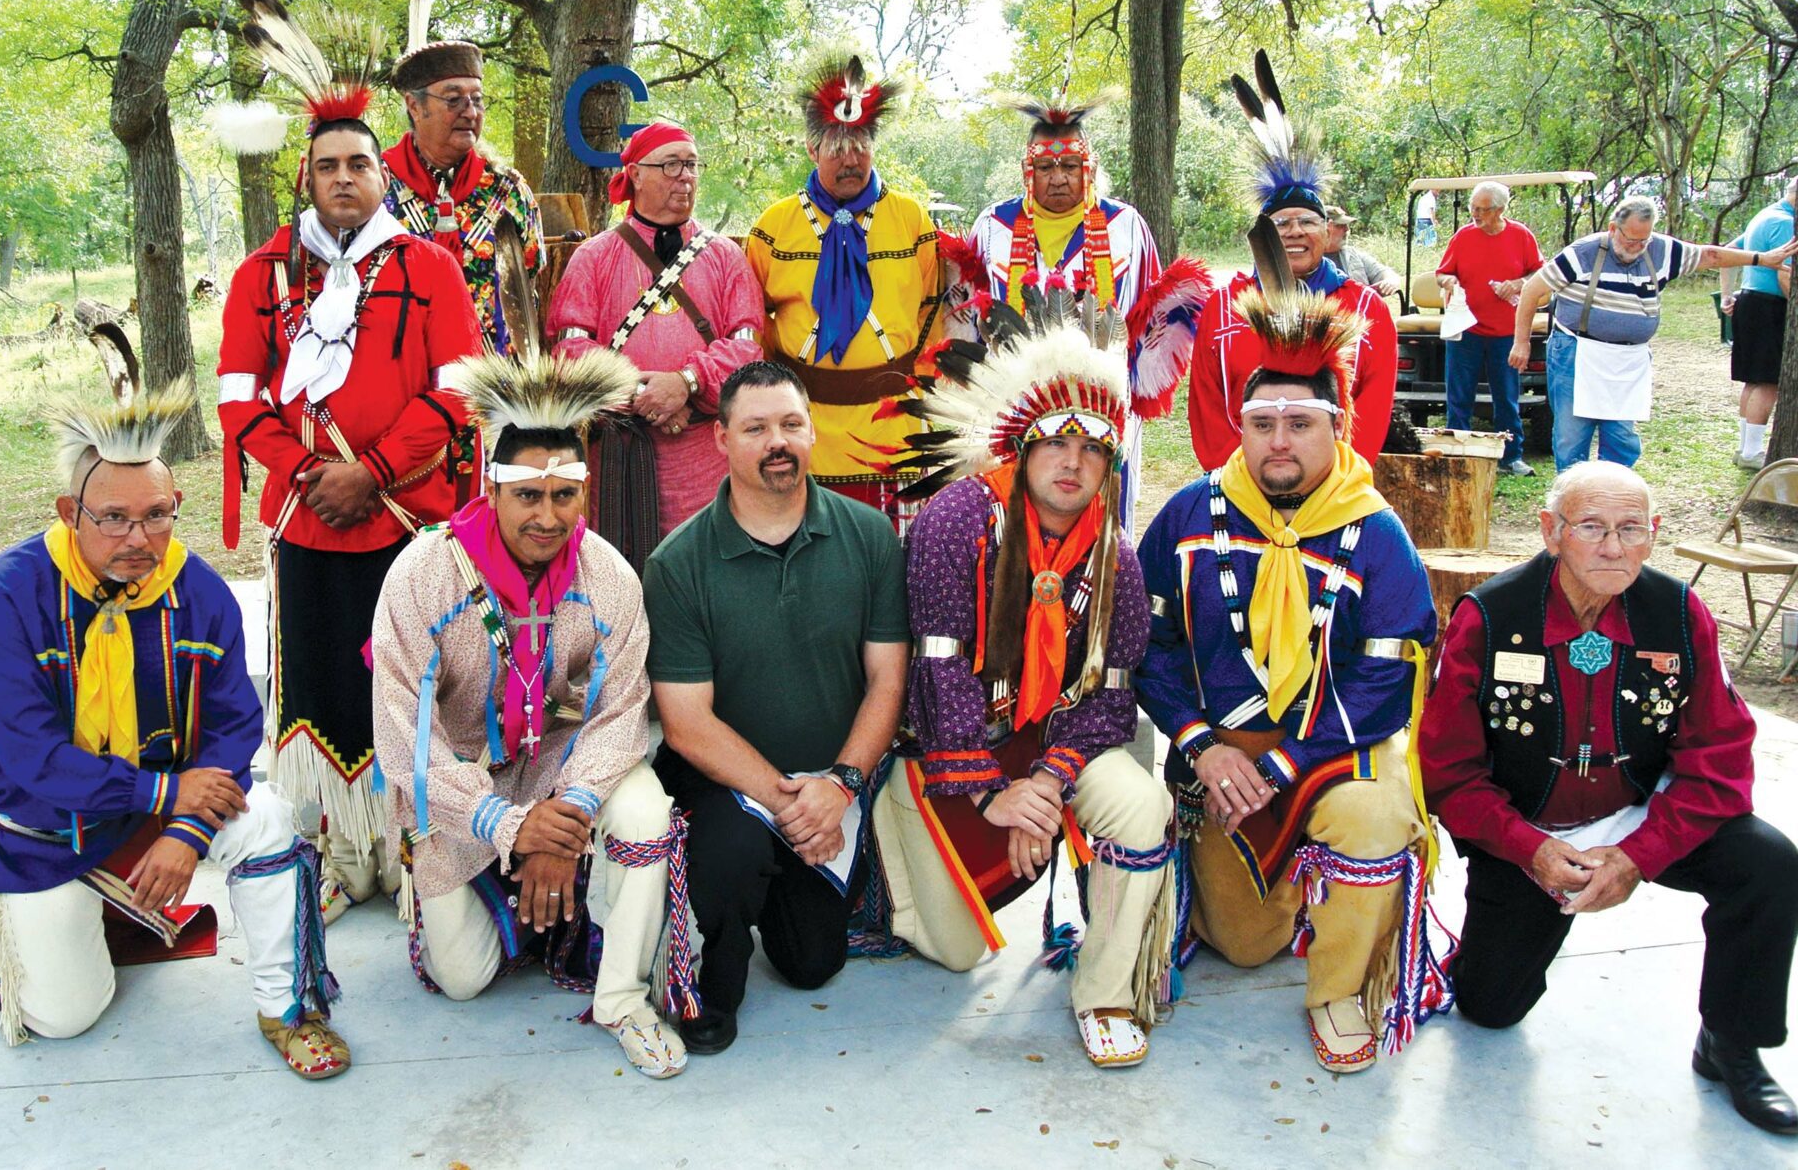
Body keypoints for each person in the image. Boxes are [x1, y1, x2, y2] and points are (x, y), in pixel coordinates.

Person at [0, 388, 348, 1077]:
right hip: (49, 831)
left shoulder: (197, 589)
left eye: (157, 514)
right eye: (113, 518)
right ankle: (85, 918)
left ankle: (287, 1007)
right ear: (69, 513)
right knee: (64, 1017)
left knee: (271, 818)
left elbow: (233, 728)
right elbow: (32, 759)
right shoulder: (5, 597)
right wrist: (167, 794)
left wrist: (184, 832)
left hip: (165, 805)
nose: (139, 538)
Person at [874, 269, 1205, 1067]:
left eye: (1092, 447)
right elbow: (939, 675)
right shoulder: (960, 520)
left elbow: (1110, 705)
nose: (1072, 461)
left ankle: (1106, 990)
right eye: (1056, 441)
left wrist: (1048, 787)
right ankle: (888, 861)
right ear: (1023, 445)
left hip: (1050, 749)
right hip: (954, 753)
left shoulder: (1117, 558)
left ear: (1110, 461)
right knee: (955, 951)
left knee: (1140, 806)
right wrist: (996, 792)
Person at [1420, 461, 1798, 1135]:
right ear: (1551, 531)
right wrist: (1530, 850)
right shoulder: (1493, 616)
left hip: (1640, 812)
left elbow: (1720, 761)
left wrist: (1638, 855)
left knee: (1768, 862)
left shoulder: (1679, 615)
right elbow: (1449, 773)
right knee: (1489, 1004)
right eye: (1592, 527)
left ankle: (1732, 1042)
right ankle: (1502, 936)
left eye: (1632, 529)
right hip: (1532, 829)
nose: (1614, 547)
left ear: (1653, 535)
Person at [217, 0, 482, 921]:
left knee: (414, 685)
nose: (342, 178)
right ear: (306, 176)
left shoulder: (429, 269)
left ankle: (415, 846)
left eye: (358, 165)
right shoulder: (261, 275)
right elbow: (239, 401)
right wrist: (308, 476)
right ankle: (335, 849)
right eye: (326, 164)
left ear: (382, 177)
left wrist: (369, 473)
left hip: (406, 515)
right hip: (307, 524)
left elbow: (456, 392)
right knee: (320, 684)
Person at [1138, 282, 1446, 1073]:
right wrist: (1201, 744)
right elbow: (1147, 643)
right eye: (1262, 422)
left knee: (1376, 820)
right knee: (1244, 947)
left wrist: (1287, 761)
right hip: (1224, 753)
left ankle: (1340, 987)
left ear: (1335, 428)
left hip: (1337, 748)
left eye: (1301, 423)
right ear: (1237, 425)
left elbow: (1386, 686)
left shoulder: (1376, 532)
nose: (1280, 440)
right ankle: (1274, 900)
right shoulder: (1186, 514)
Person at [369, 348, 697, 1079]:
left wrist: (567, 815)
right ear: (491, 489)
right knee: (464, 977)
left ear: (584, 493)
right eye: (527, 496)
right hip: (460, 786)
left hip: (557, 764)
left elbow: (619, 715)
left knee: (644, 806)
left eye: (564, 496)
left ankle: (623, 999)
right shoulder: (423, 576)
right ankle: (519, 895)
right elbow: (404, 740)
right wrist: (512, 826)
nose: (547, 518)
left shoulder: (607, 575)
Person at [644, 360, 911, 1055]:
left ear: (813, 431)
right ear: (721, 441)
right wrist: (793, 804)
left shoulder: (870, 536)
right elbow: (685, 721)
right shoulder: (678, 563)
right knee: (730, 859)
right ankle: (708, 984)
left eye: (791, 423)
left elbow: (887, 679)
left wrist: (842, 784)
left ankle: (784, 890)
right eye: (756, 427)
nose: (777, 441)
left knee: (811, 962)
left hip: (829, 782)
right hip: (725, 784)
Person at [545, 119, 763, 570]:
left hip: (706, 459)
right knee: (624, 579)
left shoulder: (726, 258)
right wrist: (646, 396)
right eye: (670, 165)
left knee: (709, 574)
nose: (685, 176)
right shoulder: (594, 257)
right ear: (636, 174)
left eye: (691, 165)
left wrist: (686, 382)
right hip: (622, 461)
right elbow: (568, 350)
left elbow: (747, 349)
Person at [745, 54, 943, 529]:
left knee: (895, 572)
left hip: (893, 431)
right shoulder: (774, 228)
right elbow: (755, 327)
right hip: (802, 431)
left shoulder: (911, 220)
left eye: (860, 145)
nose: (850, 159)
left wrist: (917, 396)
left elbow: (932, 314)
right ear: (812, 150)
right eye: (836, 147)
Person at [961, 92, 1164, 531]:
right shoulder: (992, 227)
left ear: (1088, 170)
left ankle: (1102, 597)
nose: (1057, 179)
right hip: (1013, 406)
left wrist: (1138, 391)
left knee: (1103, 523)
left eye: (1069, 167)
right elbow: (966, 322)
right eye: (1045, 168)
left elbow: (1153, 318)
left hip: (1105, 406)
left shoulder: (1126, 226)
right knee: (1009, 518)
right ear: (1026, 171)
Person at [1189, 52, 1397, 471]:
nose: (1295, 231)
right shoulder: (1226, 307)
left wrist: (1337, 479)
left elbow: (1372, 409)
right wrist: (1242, 479)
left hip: (1333, 490)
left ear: (1328, 231)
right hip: (1238, 485)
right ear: (1262, 233)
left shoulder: (1364, 309)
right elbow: (1206, 403)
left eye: (1307, 221)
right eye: (1280, 222)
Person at [1509, 194, 1796, 471]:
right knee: (1572, 434)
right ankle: (1571, 503)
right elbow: (1532, 290)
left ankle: (1613, 498)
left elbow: (1710, 256)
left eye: (1643, 240)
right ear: (1613, 228)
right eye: (1630, 239)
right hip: (1577, 350)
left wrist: (1760, 259)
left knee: (1622, 437)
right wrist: (1521, 343)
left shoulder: (1662, 250)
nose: (1636, 247)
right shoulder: (1582, 252)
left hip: (1628, 359)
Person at [383, 0, 544, 358]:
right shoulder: (376, 186)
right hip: (399, 376)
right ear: (414, 107)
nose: (469, 111)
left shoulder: (508, 192)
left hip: (492, 386)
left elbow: (531, 288)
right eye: (453, 99)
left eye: (476, 99)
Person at [1436, 181, 1544, 475]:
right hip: (1467, 329)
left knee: (1507, 397)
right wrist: (1450, 282)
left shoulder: (1521, 236)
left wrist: (1519, 283)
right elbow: (1443, 272)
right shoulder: (1464, 236)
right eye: (1473, 208)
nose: (1476, 214)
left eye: (1483, 209)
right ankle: (1457, 454)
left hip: (1506, 332)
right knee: (1459, 396)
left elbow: (1539, 271)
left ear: (1500, 210)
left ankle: (1511, 457)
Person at [1724, 177, 1797, 469]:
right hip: (1770, 306)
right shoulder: (1784, 223)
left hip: (1749, 302)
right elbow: (1785, 273)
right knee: (1769, 381)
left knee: (1754, 380)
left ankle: (1745, 448)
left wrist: (1729, 293)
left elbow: (1728, 251)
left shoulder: (1764, 215)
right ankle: (1753, 452)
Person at [1324, 208, 1401, 297]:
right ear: (1325, 229)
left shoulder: (1353, 254)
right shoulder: (1310, 260)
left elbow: (1383, 272)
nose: (1347, 229)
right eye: (1340, 225)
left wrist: (1390, 280)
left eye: (1347, 225)